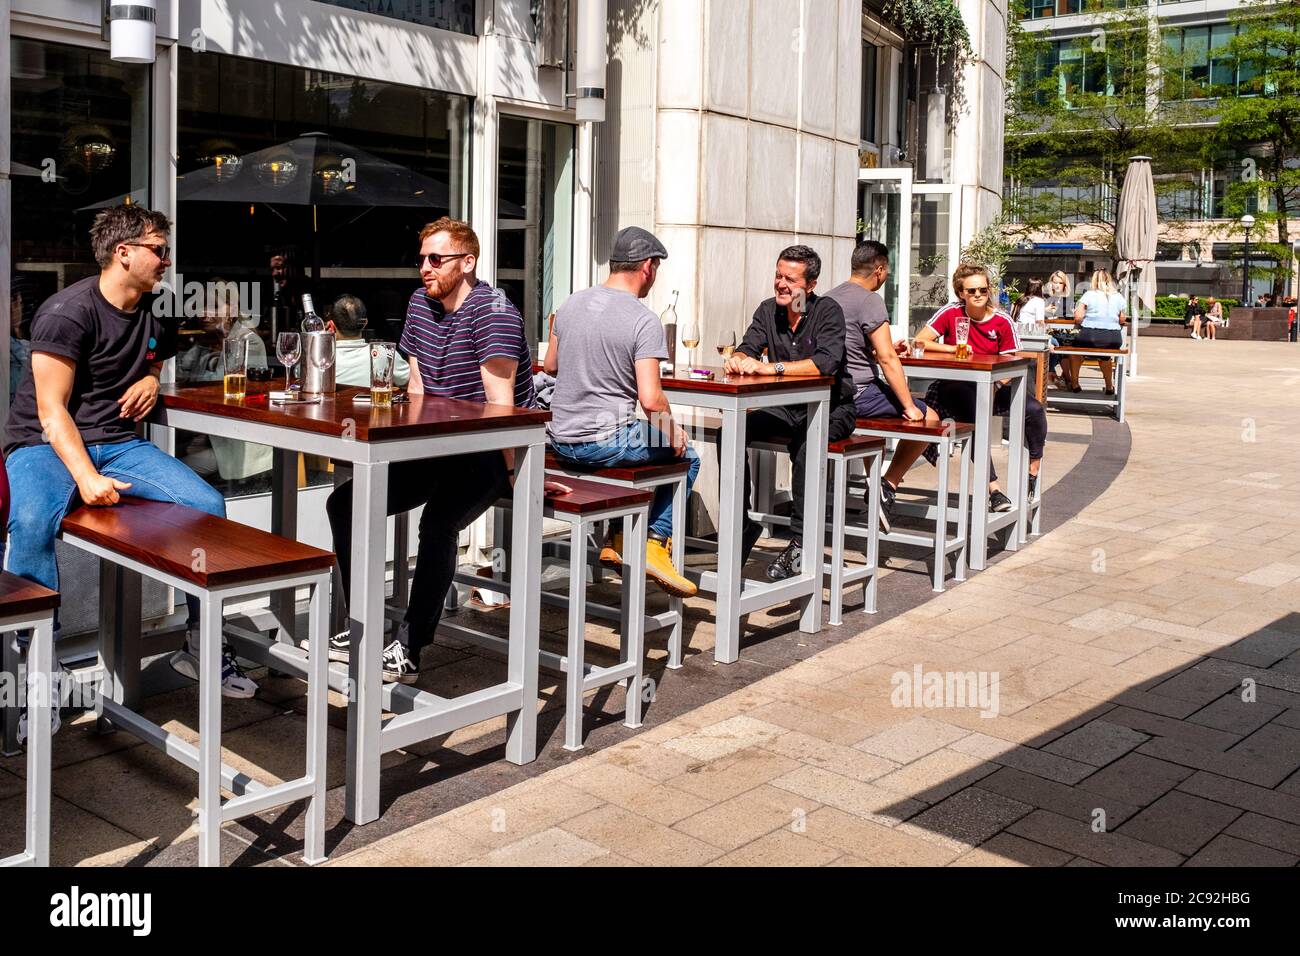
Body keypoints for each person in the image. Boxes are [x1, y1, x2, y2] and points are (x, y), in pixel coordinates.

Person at [4, 204, 257, 698]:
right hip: (43, 445)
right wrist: (86, 479)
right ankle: (36, 670)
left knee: (208, 506)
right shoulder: (66, 312)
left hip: (118, 445)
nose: (166, 261)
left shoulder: (154, 311)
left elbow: (157, 353)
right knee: (31, 521)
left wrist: (149, 376)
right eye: (158, 250)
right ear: (123, 253)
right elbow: (52, 412)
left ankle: (200, 643)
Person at [323, 217, 537, 683]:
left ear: (468, 262)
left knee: (437, 522)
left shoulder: (494, 313)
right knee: (344, 503)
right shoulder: (422, 302)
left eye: (435, 259)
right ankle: (362, 626)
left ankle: (411, 645)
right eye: (421, 258)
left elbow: (503, 410)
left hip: (493, 450)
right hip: (436, 446)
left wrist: (519, 476)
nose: (424, 268)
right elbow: (417, 386)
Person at [544, 228, 699, 597]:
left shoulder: (570, 304)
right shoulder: (643, 320)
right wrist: (673, 432)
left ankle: (617, 537)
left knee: (639, 451)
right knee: (689, 456)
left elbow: (550, 365)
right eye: (656, 269)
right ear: (648, 266)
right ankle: (653, 543)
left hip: (561, 440)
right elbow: (651, 399)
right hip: (602, 441)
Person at [724, 244, 857, 582]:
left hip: (831, 408)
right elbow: (748, 348)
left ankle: (801, 541)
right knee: (733, 429)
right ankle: (742, 525)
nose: (781, 284)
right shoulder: (768, 311)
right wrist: (739, 359)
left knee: (806, 442)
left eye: (790, 279)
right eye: (778, 275)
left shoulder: (828, 311)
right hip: (785, 407)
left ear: (810, 286)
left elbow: (826, 362)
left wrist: (772, 368)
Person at [823, 239, 940, 533]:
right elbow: (888, 360)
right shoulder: (869, 300)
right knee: (931, 418)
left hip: (832, 395)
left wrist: (874, 350)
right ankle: (887, 485)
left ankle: (876, 485)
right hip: (861, 394)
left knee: (866, 429)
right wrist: (910, 407)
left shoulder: (828, 298)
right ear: (879, 269)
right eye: (887, 271)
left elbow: (849, 347)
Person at [914, 263, 1049, 508]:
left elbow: (1011, 365)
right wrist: (953, 348)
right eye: (972, 290)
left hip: (992, 387)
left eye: (983, 290)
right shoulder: (951, 313)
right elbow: (921, 341)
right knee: (974, 412)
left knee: (1035, 410)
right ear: (961, 293)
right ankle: (994, 489)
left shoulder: (1002, 321)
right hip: (954, 386)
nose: (978, 295)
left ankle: (1034, 465)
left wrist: (994, 387)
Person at [1062, 269, 1126, 394]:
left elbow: (1078, 317)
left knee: (1075, 353)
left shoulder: (1089, 295)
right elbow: (1122, 318)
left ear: (1094, 281)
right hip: (1113, 338)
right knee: (1105, 356)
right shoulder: (1118, 296)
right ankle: (1109, 386)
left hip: (1090, 335)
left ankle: (1075, 383)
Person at [327, 294, 410, 388]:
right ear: (365, 323)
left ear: (331, 325)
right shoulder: (386, 353)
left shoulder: (320, 359)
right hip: (378, 401)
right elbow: (409, 379)